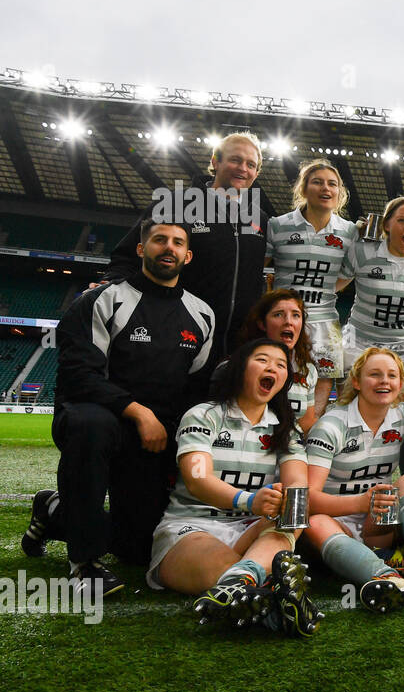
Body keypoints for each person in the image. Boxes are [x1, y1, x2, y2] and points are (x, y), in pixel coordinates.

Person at [23, 220, 215, 596]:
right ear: (141, 249)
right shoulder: (101, 301)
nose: (169, 248)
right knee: (90, 424)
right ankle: (84, 563)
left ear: (187, 256)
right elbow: (80, 376)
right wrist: (139, 412)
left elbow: (195, 388)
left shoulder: (202, 314)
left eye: (178, 243)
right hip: (97, 418)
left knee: (137, 548)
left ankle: (55, 511)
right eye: (159, 240)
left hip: (156, 437)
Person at [148, 339, 321, 636]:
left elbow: (297, 486)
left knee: (293, 513)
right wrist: (249, 501)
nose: (272, 368)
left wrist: (284, 501)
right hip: (192, 527)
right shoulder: (203, 415)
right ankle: (266, 596)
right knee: (227, 570)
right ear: (240, 368)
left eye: (281, 365)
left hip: (255, 531)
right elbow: (197, 477)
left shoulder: (286, 429)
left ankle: (245, 586)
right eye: (262, 360)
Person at [302, 348, 404, 612]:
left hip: (379, 522)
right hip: (336, 519)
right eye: (374, 375)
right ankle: (386, 576)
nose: (384, 381)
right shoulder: (330, 426)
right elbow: (307, 499)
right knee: (316, 522)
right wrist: (360, 503)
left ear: (401, 384)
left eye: (392, 375)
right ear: (356, 381)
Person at [103, 132, 266, 364]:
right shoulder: (175, 203)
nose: (243, 168)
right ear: (215, 161)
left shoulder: (259, 218)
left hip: (237, 344)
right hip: (179, 335)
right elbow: (127, 256)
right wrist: (111, 287)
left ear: (257, 173)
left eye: (251, 164)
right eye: (235, 160)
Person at [265, 160, 355, 416]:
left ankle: (310, 429)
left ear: (339, 193)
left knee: (325, 377)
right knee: (278, 373)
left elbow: (347, 274)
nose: (325, 188)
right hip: (284, 319)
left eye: (332, 184)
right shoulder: (278, 225)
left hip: (325, 320)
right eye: (317, 182)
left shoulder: (349, 232)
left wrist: (327, 291)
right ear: (303, 188)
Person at [338, 196, 404, 403]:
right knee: (350, 409)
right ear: (386, 224)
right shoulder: (363, 252)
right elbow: (335, 285)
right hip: (359, 343)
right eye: (402, 220)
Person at [238, 290, 319, 430]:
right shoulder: (239, 364)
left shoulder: (308, 370)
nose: (288, 321)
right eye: (279, 314)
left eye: (296, 315)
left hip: (291, 447)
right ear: (262, 324)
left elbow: (307, 422)